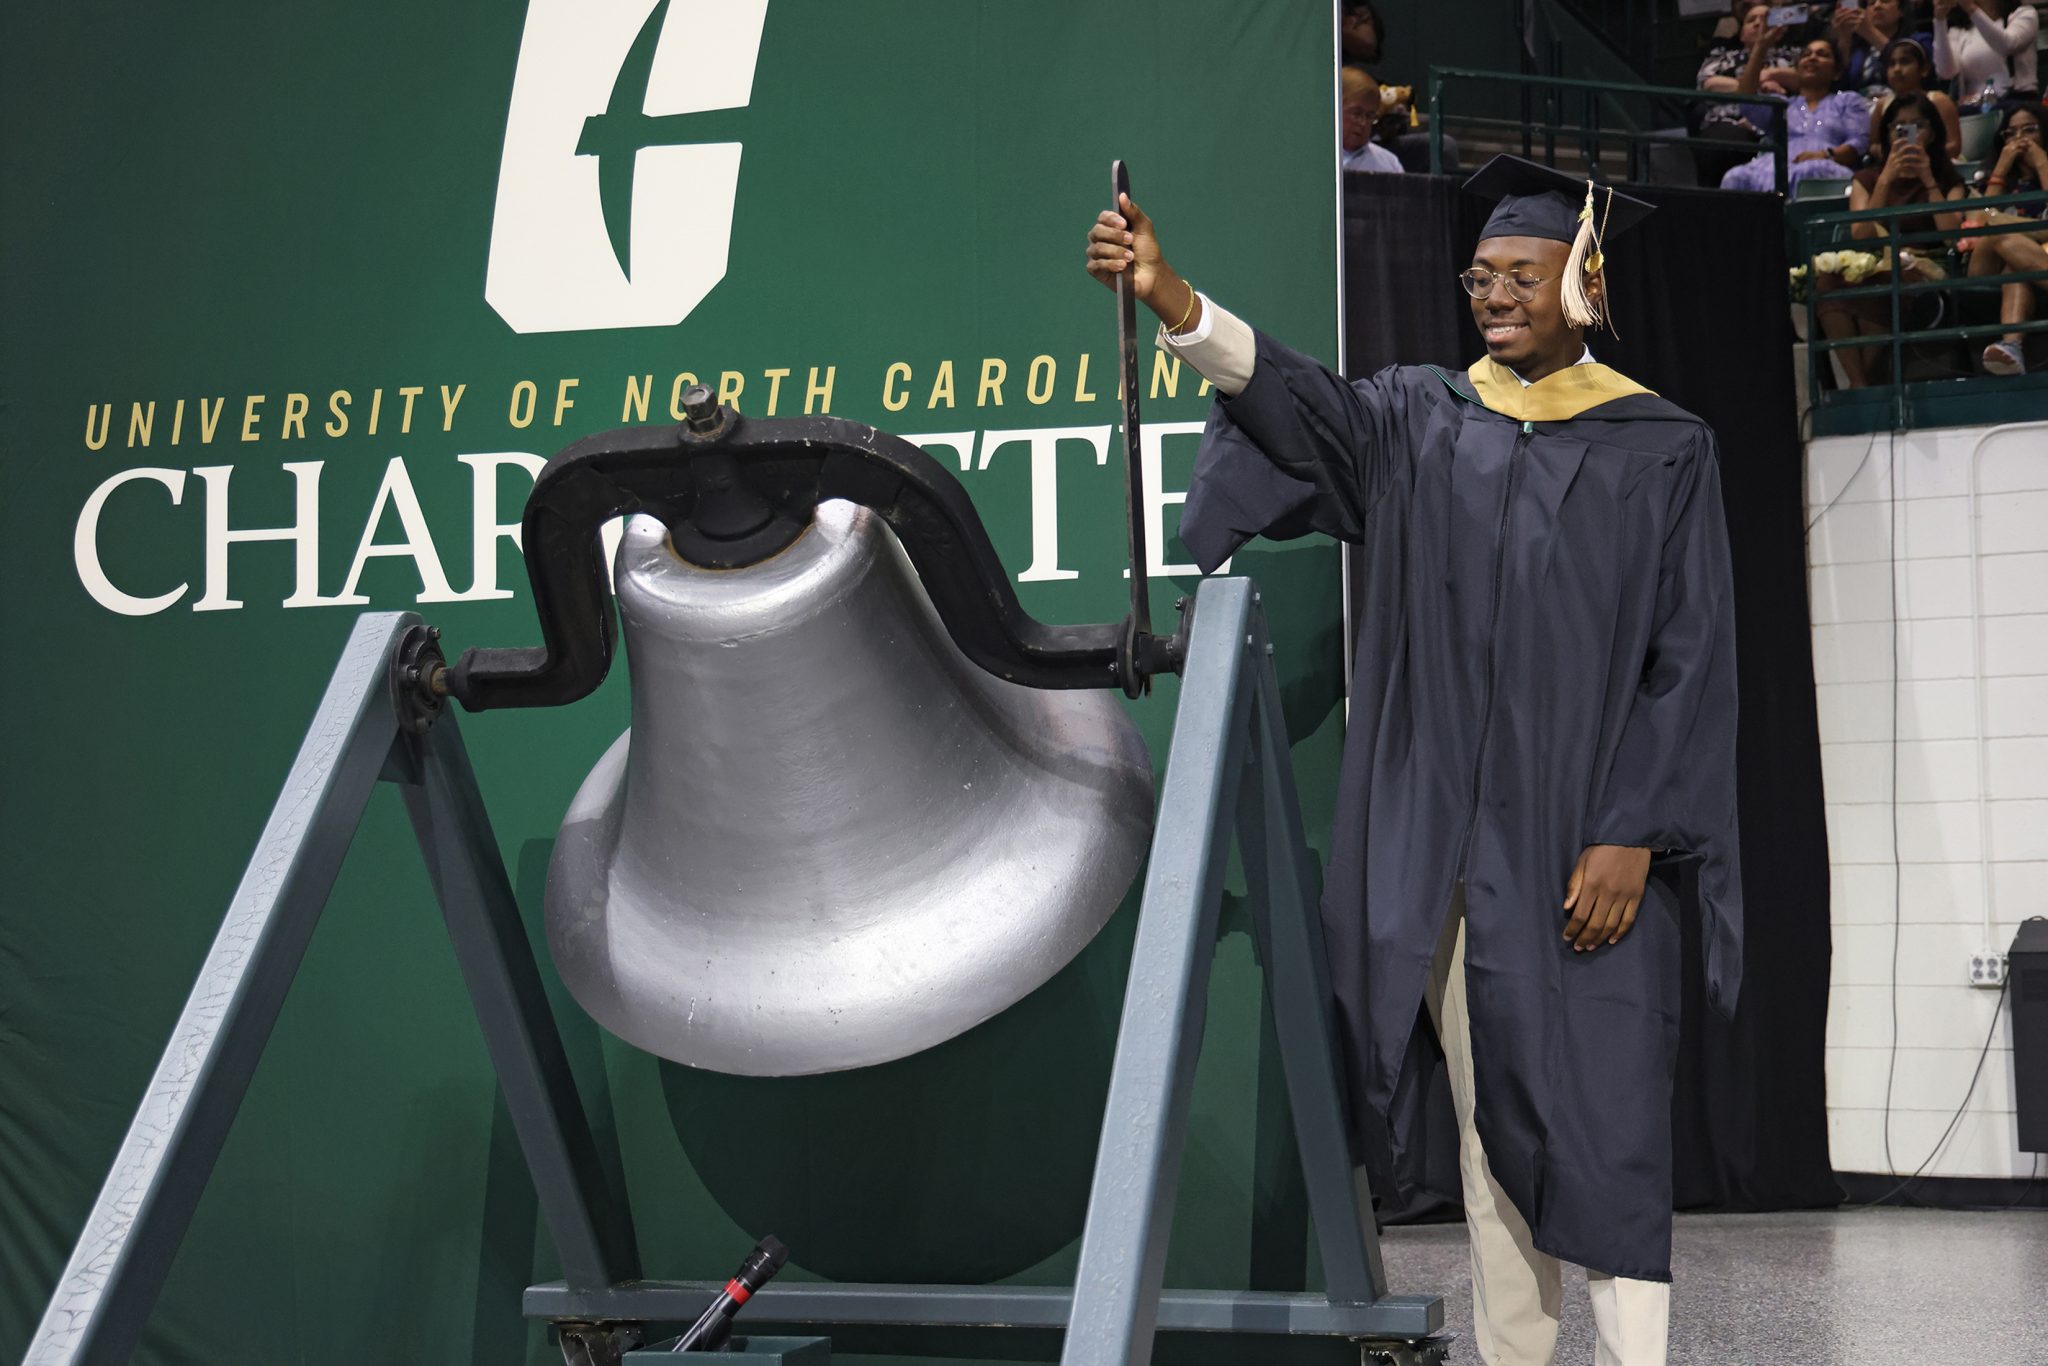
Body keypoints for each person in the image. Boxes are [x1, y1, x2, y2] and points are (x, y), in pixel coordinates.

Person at [1084, 156, 1743, 1366]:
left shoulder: (1660, 447)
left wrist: (1633, 830)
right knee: (1496, 1139)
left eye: (1521, 274)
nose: (1492, 293)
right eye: (1479, 275)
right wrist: (1176, 302)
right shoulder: (1419, 421)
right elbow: (1293, 402)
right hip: (1447, 852)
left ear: (1583, 278)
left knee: (1602, 1129)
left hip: (1583, 848)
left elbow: (1687, 659)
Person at [1815, 92, 1970, 386]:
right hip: (1874, 266)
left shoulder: (1948, 181)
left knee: (1884, 285)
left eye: (1917, 126)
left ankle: (1860, 389)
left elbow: (1950, 237)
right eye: (1898, 127)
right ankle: (1861, 385)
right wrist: (1886, 179)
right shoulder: (1866, 179)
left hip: (1923, 273)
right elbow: (1861, 236)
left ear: (1932, 134)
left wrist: (1928, 180)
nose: (1907, 133)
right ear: (1887, 135)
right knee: (1827, 283)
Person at [1961, 103, 2048, 372]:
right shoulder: (1988, 181)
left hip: (2032, 261)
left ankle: (2011, 345)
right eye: (2010, 134)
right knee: (1995, 233)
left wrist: (2042, 162)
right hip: (1986, 265)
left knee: (2015, 265)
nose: (2019, 140)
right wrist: (2001, 168)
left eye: (2030, 130)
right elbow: (1976, 223)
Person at [1721, 37, 1870, 191]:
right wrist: (1760, 47)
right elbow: (1746, 99)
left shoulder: (1847, 101)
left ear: (1836, 72)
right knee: (1735, 176)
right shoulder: (1781, 104)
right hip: (1776, 166)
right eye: (1806, 54)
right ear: (1797, 69)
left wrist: (1824, 155)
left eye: (1822, 54)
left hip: (1826, 166)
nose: (1812, 58)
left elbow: (1858, 143)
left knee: (1808, 171)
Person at [1694, 3, 1803, 185]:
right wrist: (1759, 83)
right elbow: (1708, 83)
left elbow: (1807, 81)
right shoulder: (1724, 56)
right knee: (1721, 145)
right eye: (1751, 20)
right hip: (1732, 121)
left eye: (1765, 19)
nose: (1758, 24)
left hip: (1783, 124)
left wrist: (1772, 73)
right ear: (1742, 33)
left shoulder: (1792, 55)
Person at [1866, 35, 1964, 157]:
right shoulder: (1882, 105)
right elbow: (1873, 145)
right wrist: (1891, 153)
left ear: (1924, 69)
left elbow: (1954, 145)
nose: (1897, 69)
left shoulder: (1938, 101)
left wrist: (1921, 155)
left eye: (1905, 62)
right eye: (1891, 64)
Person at [1932, 0, 2040, 105]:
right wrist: (1940, 20)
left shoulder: (2024, 14)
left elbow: (2007, 46)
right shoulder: (1960, 30)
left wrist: (1971, 9)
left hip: (2018, 101)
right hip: (1974, 107)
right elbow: (1946, 72)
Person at [1833, 0, 1934, 99]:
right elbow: (1841, 84)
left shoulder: (1919, 40)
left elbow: (1927, 78)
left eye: (1885, 1)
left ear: (1901, 11)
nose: (1877, 6)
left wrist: (1870, 32)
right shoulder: (1859, 47)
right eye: (1871, 3)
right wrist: (1844, 38)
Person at [1342, 68, 1404, 173]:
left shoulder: (1389, 165)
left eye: (1369, 115)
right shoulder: (1310, 154)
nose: (1363, 123)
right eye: (1356, 114)